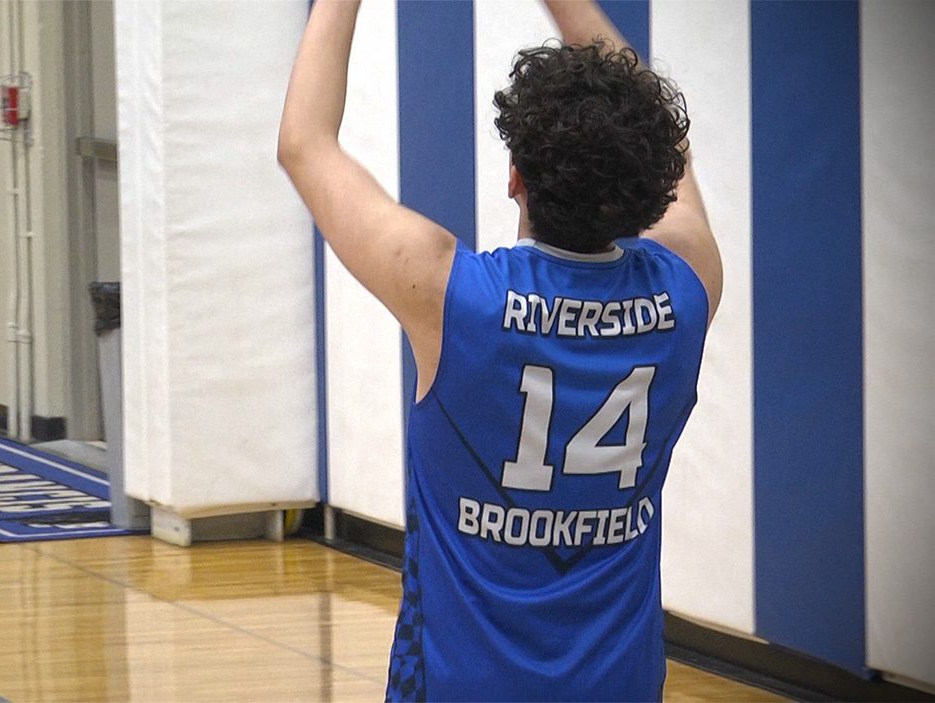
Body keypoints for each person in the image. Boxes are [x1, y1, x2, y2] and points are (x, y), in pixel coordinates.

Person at [278, 0, 722, 700]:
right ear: (648, 180)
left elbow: (304, 144)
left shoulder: (457, 299)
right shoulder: (686, 289)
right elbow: (663, 144)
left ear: (514, 174)